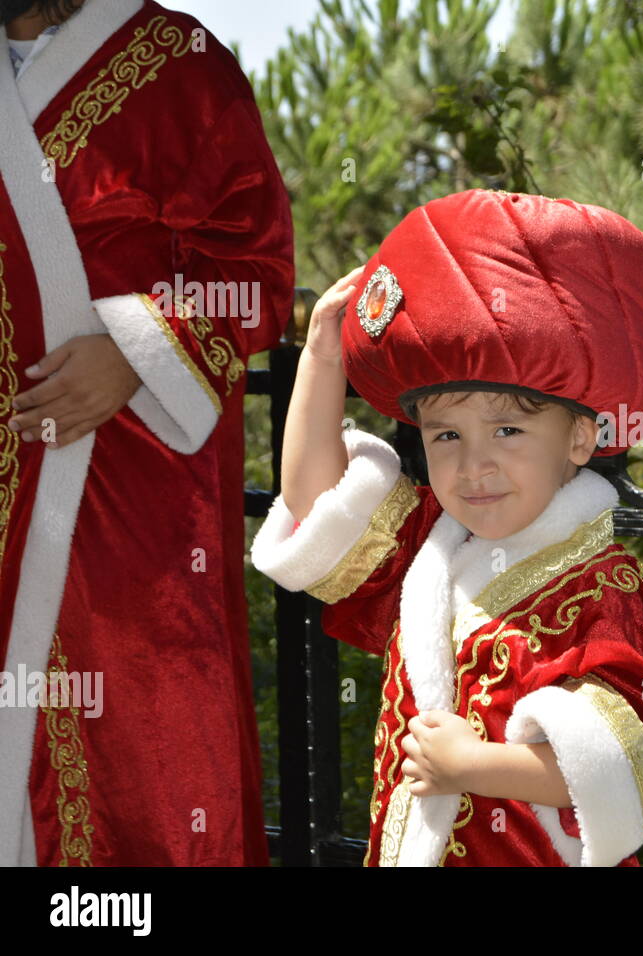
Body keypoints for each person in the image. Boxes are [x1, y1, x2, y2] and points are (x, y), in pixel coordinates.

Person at [251, 189, 643, 866]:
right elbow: (314, 501)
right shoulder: (425, 548)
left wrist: (472, 765)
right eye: (447, 434)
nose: (474, 464)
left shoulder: (611, 593)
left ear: (579, 437)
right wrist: (321, 358)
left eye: (508, 429)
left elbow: (629, 764)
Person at [0, 0, 294, 865]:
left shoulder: (180, 64)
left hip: (124, 502)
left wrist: (134, 353)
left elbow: (261, 273)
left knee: (145, 772)